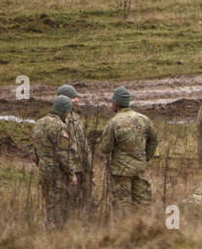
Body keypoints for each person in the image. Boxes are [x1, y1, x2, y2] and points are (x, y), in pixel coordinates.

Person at [96, 86, 158, 216]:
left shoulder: (114, 122)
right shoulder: (144, 119)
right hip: (139, 169)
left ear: (116, 103)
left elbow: (105, 149)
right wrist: (145, 157)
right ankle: (143, 229)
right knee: (142, 203)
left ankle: (123, 231)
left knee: (121, 205)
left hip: (121, 172)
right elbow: (153, 140)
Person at [31, 94, 77, 227]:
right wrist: (71, 174)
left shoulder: (39, 123)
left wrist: (39, 163)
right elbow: (64, 154)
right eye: (68, 111)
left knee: (47, 201)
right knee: (58, 202)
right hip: (56, 171)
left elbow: (35, 149)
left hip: (43, 169)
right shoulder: (59, 126)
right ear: (64, 111)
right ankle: (56, 230)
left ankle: (49, 226)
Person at [57, 84, 92, 212]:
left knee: (85, 202)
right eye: (73, 97)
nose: (76, 100)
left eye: (76, 97)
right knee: (68, 203)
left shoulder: (77, 118)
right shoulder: (60, 120)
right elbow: (62, 149)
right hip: (70, 169)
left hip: (82, 167)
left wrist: (89, 166)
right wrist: (70, 171)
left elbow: (84, 143)